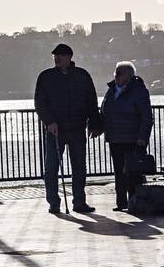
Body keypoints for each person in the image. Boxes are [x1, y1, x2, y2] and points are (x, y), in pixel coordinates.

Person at [33, 43, 102, 214]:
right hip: (55, 130)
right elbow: (40, 102)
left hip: (78, 128)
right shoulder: (46, 77)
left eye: (61, 55)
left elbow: (91, 102)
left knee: (79, 166)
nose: (57, 58)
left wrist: (95, 124)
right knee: (52, 167)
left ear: (69, 57)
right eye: (55, 55)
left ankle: (79, 201)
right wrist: (49, 121)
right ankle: (53, 202)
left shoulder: (82, 76)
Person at [100, 61, 154, 211]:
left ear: (129, 76)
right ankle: (121, 203)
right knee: (119, 172)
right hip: (115, 138)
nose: (115, 76)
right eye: (115, 73)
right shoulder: (112, 90)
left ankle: (135, 202)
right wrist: (99, 128)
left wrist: (142, 137)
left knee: (133, 172)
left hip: (133, 139)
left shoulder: (139, 91)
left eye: (119, 73)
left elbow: (147, 116)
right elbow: (104, 111)